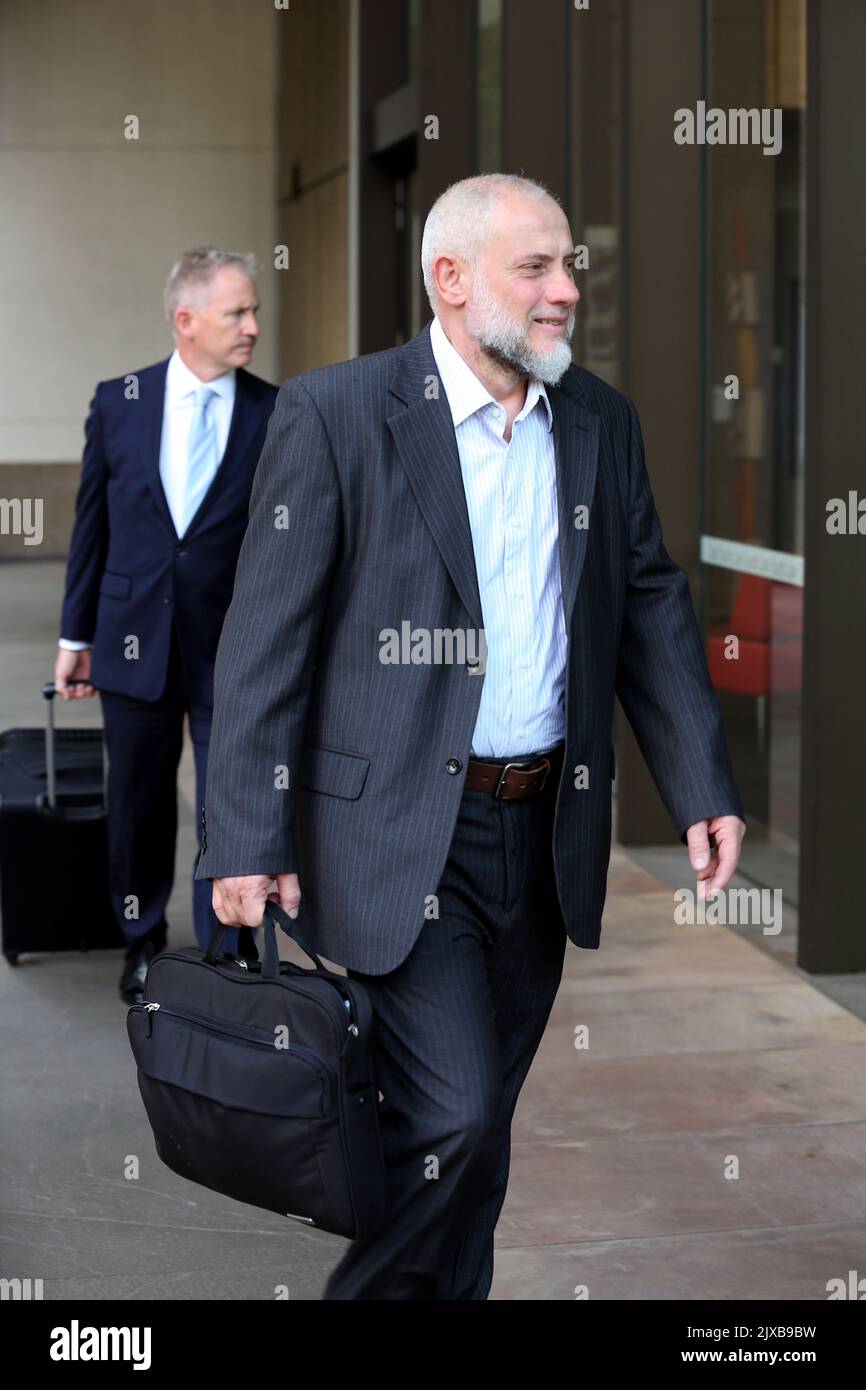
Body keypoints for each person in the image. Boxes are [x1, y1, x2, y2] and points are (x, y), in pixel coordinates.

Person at [195, 175, 746, 1299]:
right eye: (534, 268)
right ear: (448, 281)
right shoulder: (337, 412)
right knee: (451, 1107)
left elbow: (646, 601)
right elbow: (262, 644)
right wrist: (241, 834)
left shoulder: (594, 419)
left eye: (568, 267)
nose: (563, 293)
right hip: (399, 832)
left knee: (476, 1128)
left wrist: (698, 784)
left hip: (541, 832)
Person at [55, 246, 278, 1003]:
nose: (253, 325)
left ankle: (224, 947)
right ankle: (142, 939)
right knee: (139, 800)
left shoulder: (274, 412)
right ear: (186, 321)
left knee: (231, 800)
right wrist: (74, 638)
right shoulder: (119, 401)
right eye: (237, 313)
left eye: (254, 310)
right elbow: (92, 527)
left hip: (234, 649)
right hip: (130, 639)